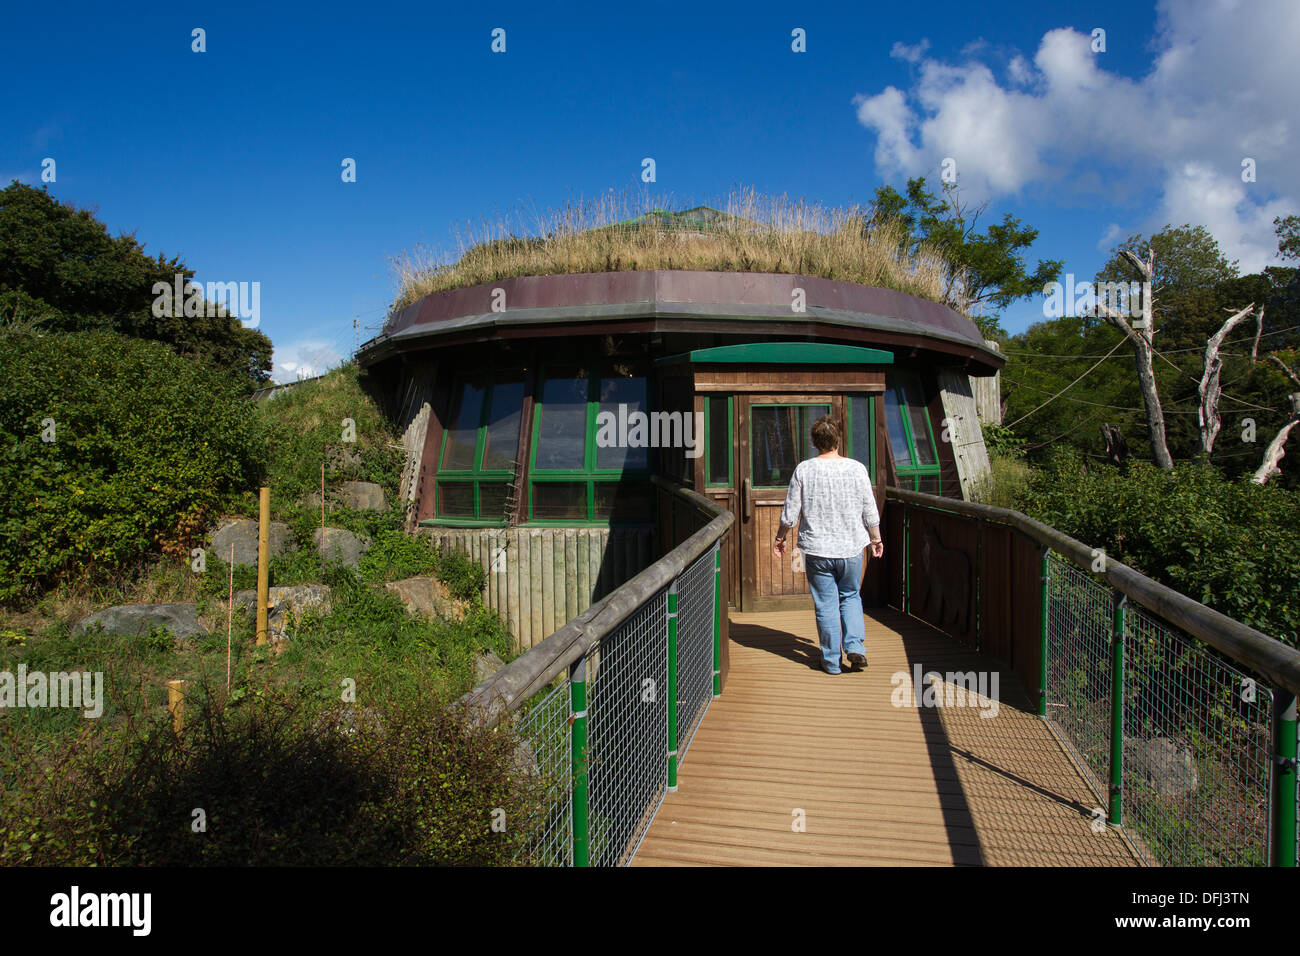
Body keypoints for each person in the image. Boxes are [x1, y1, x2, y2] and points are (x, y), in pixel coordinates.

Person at [773, 414, 884, 675]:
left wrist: (780, 538)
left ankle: (832, 661)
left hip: (817, 550)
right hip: (851, 548)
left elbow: (790, 512)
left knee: (826, 604)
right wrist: (875, 539)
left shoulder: (804, 469)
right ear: (838, 439)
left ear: (815, 441)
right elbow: (869, 510)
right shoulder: (857, 468)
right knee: (850, 596)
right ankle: (855, 645)